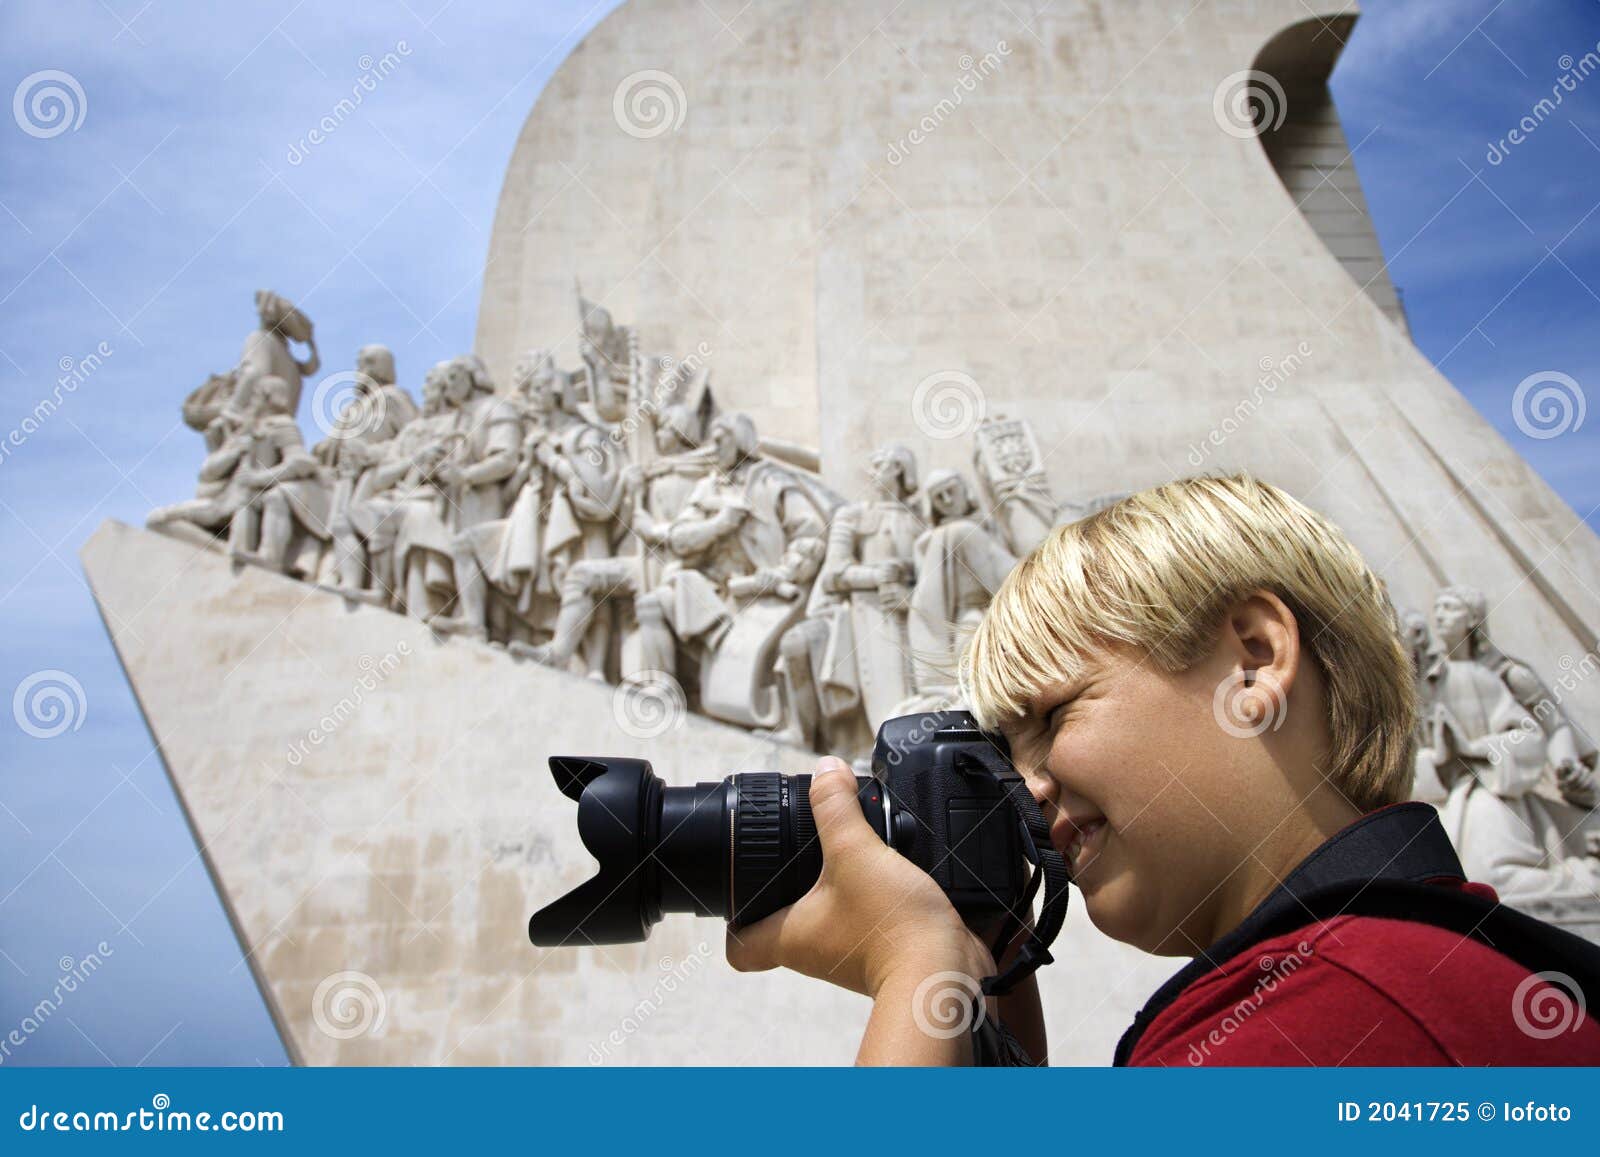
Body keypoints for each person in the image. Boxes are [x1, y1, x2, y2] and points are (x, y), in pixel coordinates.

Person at [725, 474, 1600, 1065]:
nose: (1025, 784)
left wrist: (911, 969)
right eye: (1007, 748)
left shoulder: (1342, 1019)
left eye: (1055, 715)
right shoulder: (1398, 974)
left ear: (1252, 665)